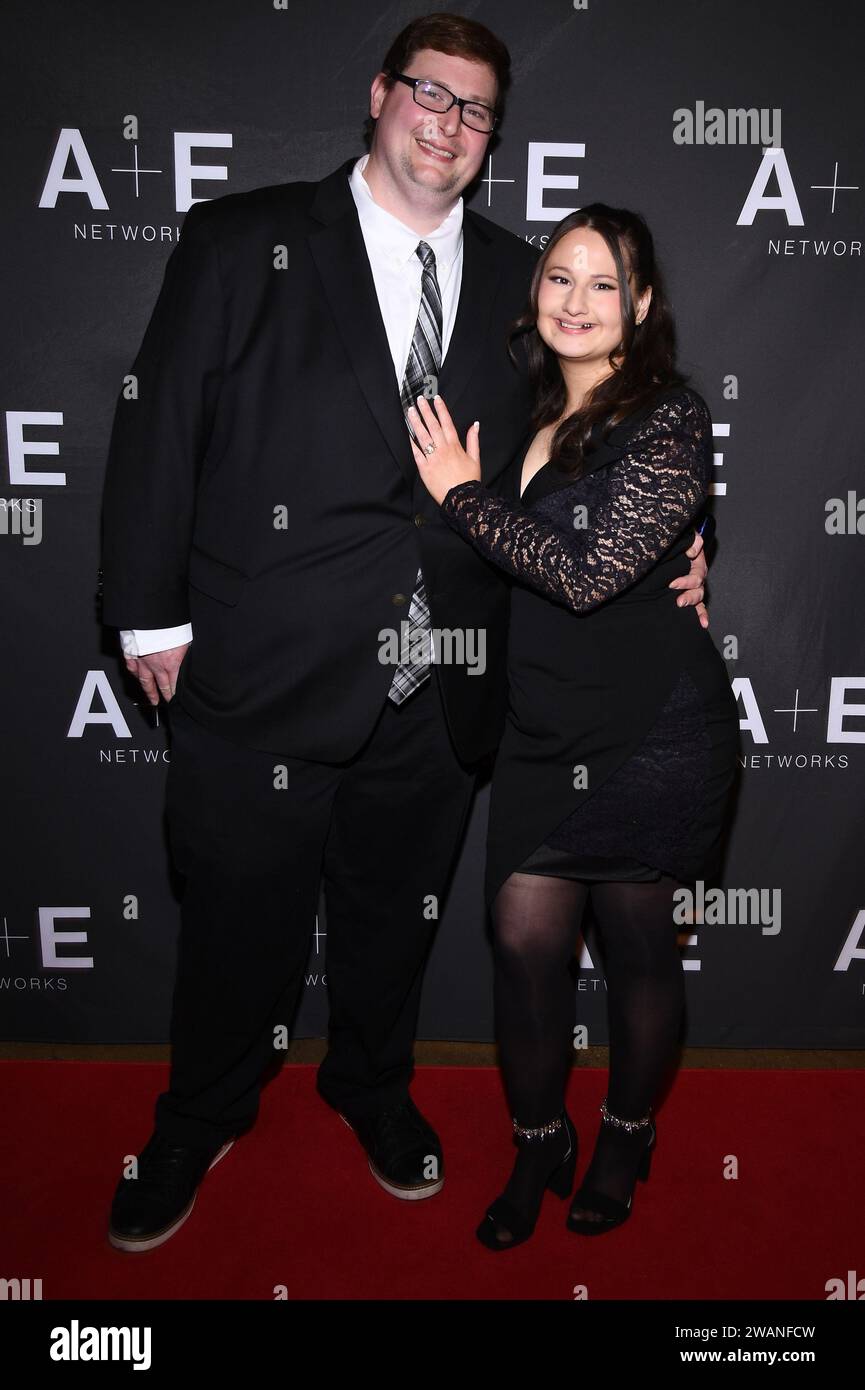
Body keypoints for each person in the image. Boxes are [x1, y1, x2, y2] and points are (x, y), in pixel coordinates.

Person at [99, 14, 710, 1253]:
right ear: (379, 96)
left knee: (394, 917)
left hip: (446, 681)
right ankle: (200, 1113)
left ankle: (369, 1086)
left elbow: (582, 453)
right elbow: (156, 431)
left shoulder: (516, 281)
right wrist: (145, 609)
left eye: (476, 110)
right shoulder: (244, 240)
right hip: (263, 666)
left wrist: (679, 550)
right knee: (236, 918)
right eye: (428, 94)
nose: (448, 124)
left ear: (492, 138)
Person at [410, 202, 740, 1249]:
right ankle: (538, 1135)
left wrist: (464, 498)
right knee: (521, 940)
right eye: (561, 277)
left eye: (605, 284)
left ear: (639, 305)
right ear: (536, 291)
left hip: (651, 729)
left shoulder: (670, 414)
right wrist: (702, 543)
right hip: (542, 725)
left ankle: (627, 1133)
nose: (578, 301)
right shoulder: (516, 408)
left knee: (641, 953)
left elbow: (590, 573)